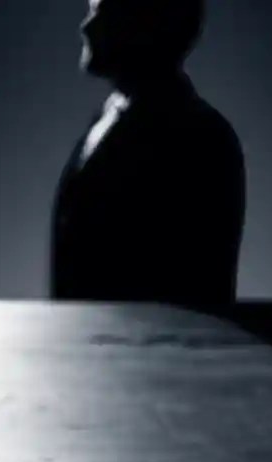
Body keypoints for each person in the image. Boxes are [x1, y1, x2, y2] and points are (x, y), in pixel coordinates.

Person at [51, 0, 245, 305]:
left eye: (100, 11)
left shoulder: (201, 140)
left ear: (144, 25)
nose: (85, 27)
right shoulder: (106, 121)